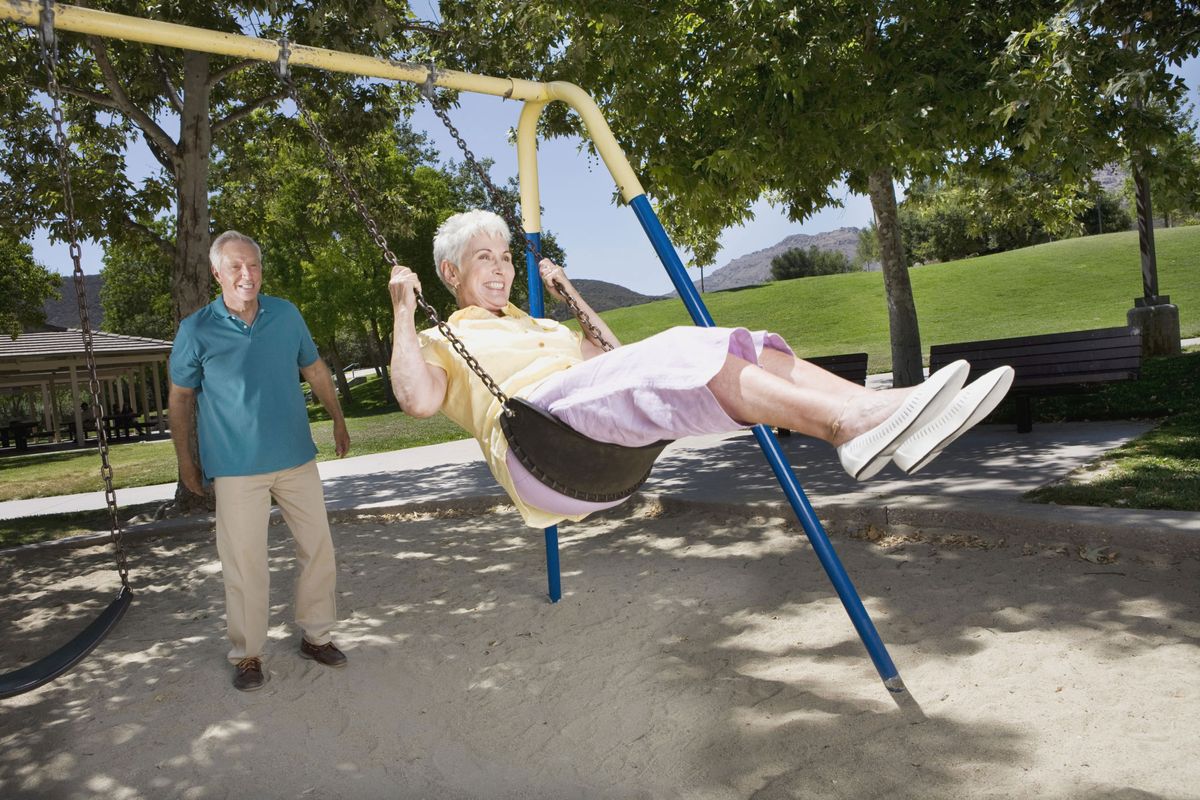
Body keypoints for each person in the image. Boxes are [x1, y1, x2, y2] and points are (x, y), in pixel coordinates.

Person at [388, 210, 1013, 530]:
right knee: (688, 349)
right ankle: (851, 426)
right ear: (451, 275)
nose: (499, 270)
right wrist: (401, 309)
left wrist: (570, 296)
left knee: (737, 345)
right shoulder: (441, 338)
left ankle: (890, 410)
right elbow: (417, 400)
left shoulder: (544, 328)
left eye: (503, 257)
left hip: (590, 437)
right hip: (540, 446)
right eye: (483, 260)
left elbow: (611, 359)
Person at [168, 230, 352, 692]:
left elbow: (314, 368)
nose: (246, 274)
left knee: (318, 548)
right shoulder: (196, 330)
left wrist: (337, 418)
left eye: (253, 265)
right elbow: (180, 398)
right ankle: (248, 655)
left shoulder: (286, 315)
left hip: (295, 457)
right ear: (217, 273)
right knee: (245, 563)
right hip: (234, 467)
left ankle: (316, 635)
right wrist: (186, 463)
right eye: (235, 266)